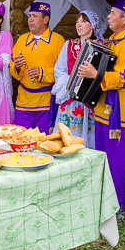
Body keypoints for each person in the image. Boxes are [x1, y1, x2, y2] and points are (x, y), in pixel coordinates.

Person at [78, 0, 125, 212]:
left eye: (113, 14)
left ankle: (119, 203)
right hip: (105, 108)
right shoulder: (114, 40)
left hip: (120, 112)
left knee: (117, 158)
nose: (108, 17)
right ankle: (105, 197)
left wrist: (95, 74)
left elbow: (123, 77)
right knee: (103, 155)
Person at [51, 10, 102, 148]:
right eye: (77, 22)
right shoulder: (69, 45)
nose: (78, 25)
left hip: (90, 100)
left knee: (88, 140)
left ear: (92, 26)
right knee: (67, 139)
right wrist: (71, 81)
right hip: (71, 99)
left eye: (83, 22)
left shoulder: (101, 46)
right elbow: (59, 70)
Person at [11, 2, 65, 131]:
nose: (30, 19)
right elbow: (12, 65)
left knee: (44, 143)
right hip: (24, 102)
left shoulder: (58, 41)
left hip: (46, 103)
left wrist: (43, 73)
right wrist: (16, 67)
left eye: (34, 16)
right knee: (21, 139)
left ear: (45, 19)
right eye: (29, 16)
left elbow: (64, 72)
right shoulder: (21, 40)